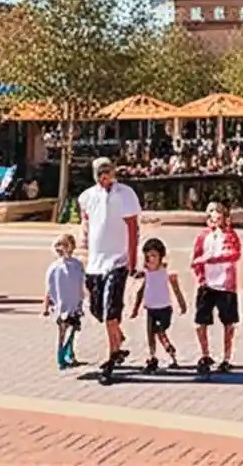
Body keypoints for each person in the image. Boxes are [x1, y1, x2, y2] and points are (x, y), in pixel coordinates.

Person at [78, 157, 142, 385]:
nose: (104, 177)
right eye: (100, 173)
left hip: (117, 260)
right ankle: (118, 337)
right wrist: (82, 250)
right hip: (95, 262)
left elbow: (133, 228)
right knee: (97, 308)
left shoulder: (126, 194)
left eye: (107, 172)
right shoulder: (86, 197)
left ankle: (112, 355)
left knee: (110, 312)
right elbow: (86, 226)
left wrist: (132, 262)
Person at [191, 201, 242, 377]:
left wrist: (211, 259)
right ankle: (205, 354)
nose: (216, 215)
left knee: (228, 322)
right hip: (207, 284)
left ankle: (226, 358)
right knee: (201, 321)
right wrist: (200, 274)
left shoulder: (230, 235)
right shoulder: (203, 236)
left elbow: (234, 254)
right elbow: (196, 257)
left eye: (219, 212)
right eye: (212, 212)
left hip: (225, 285)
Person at [130, 237, 188, 374]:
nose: (150, 259)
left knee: (160, 331)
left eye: (154, 256)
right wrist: (135, 308)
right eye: (148, 256)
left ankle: (171, 353)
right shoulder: (146, 272)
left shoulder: (166, 271)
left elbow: (176, 288)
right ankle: (152, 356)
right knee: (151, 334)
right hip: (150, 308)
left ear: (161, 256)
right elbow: (141, 291)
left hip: (164, 308)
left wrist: (182, 304)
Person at [42, 233, 86, 369]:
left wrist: (82, 299)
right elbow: (49, 287)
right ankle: (61, 357)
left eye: (65, 245)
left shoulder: (77, 265)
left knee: (73, 330)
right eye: (59, 245)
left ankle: (70, 354)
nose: (62, 248)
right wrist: (46, 305)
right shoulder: (55, 267)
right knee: (62, 331)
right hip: (61, 305)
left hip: (74, 303)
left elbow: (81, 283)